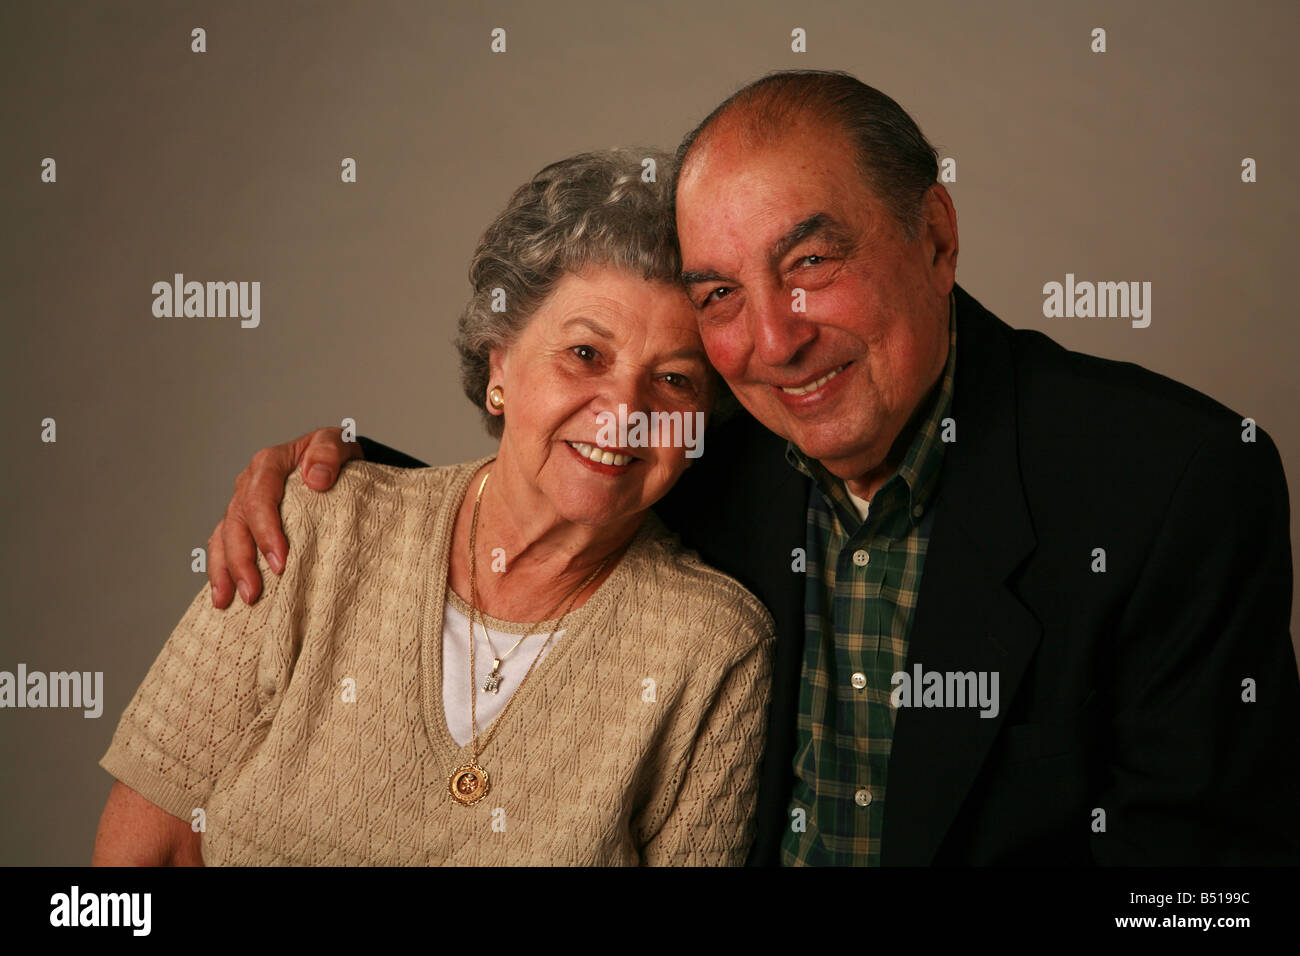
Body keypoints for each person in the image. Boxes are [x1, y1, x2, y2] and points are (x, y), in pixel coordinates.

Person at [200, 71, 1300, 866]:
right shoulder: (709, 440)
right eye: (720, 292)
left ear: (936, 237)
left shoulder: (1167, 484)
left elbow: (1203, 891)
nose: (773, 340)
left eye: (811, 263)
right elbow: (564, 472)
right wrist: (332, 474)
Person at [92, 147, 775, 866]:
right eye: (585, 354)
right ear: (499, 363)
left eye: (673, 379)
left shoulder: (713, 648)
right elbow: (148, 856)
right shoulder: (319, 525)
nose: (624, 413)